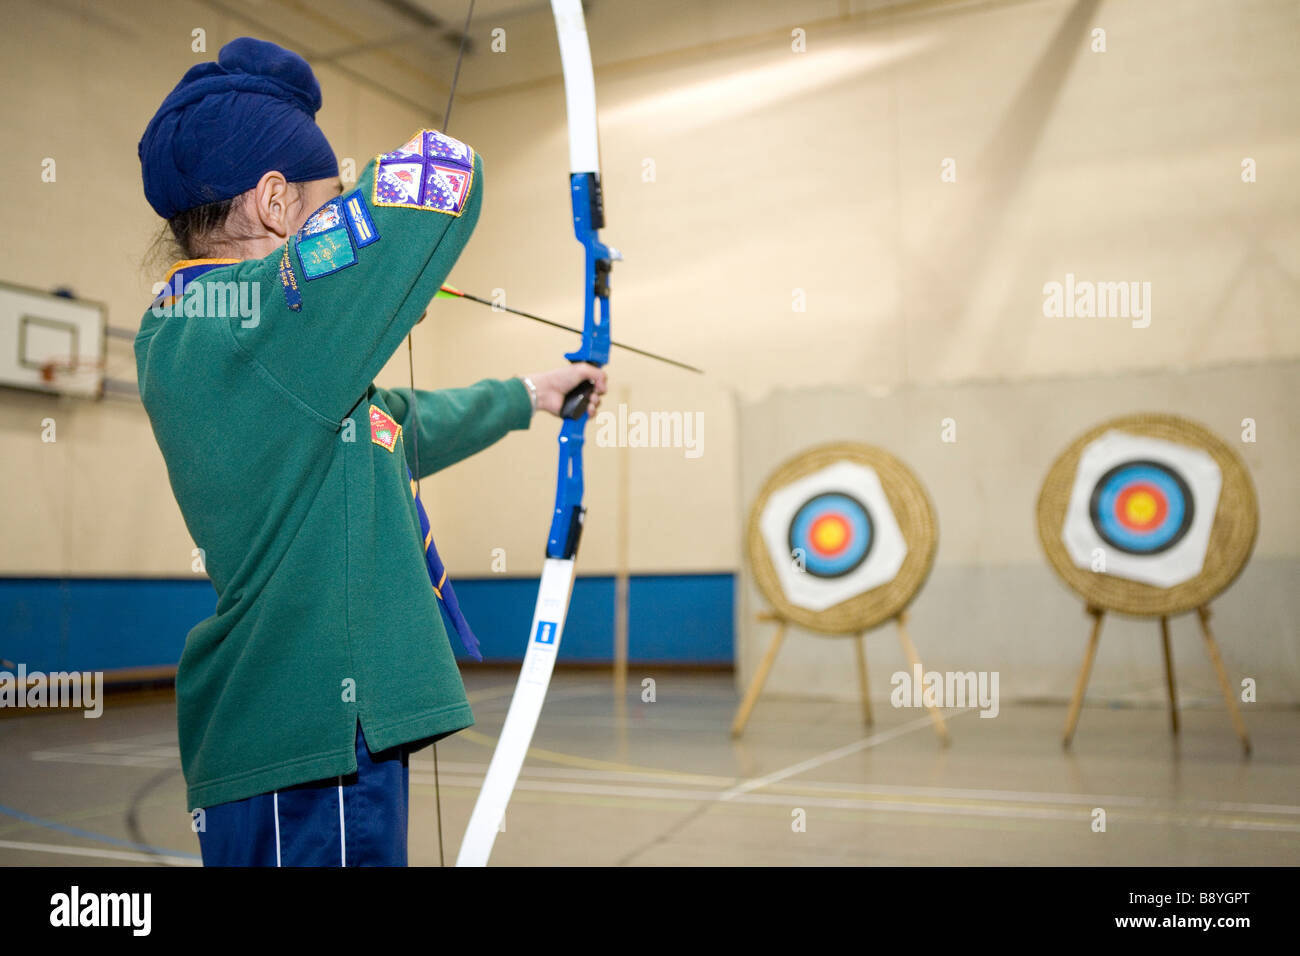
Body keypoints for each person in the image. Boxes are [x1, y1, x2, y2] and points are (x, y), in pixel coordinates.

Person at [134, 36, 605, 866]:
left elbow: (390, 427)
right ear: (276, 204)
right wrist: (367, 270)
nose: (343, 215)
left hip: (308, 739)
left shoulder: (215, 330)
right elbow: (445, 174)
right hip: (310, 736)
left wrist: (528, 394)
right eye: (331, 199)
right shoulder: (242, 319)